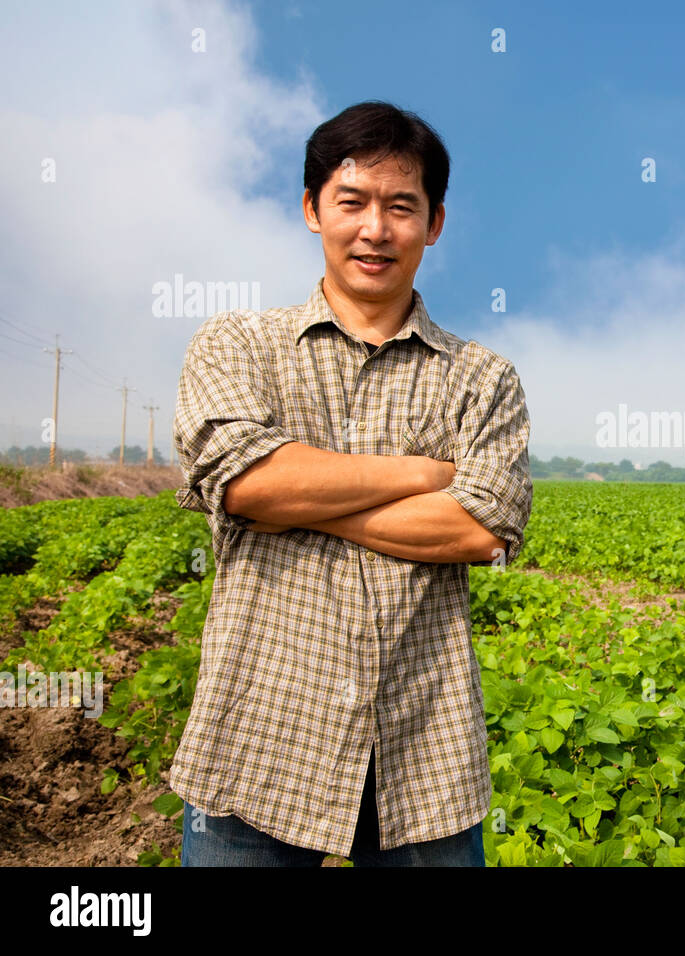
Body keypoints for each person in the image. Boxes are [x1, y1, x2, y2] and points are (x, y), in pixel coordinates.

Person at [168, 100, 533, 866]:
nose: (376, 229)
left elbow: (477, 529)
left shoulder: (483, 380)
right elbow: (247, 485)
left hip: (423, 759)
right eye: (352, 202)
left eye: (402, 206)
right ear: (312, 210)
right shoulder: (238, 344)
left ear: (434, 223)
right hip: (258, 746)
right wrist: (422, 476)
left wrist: (301, 500)